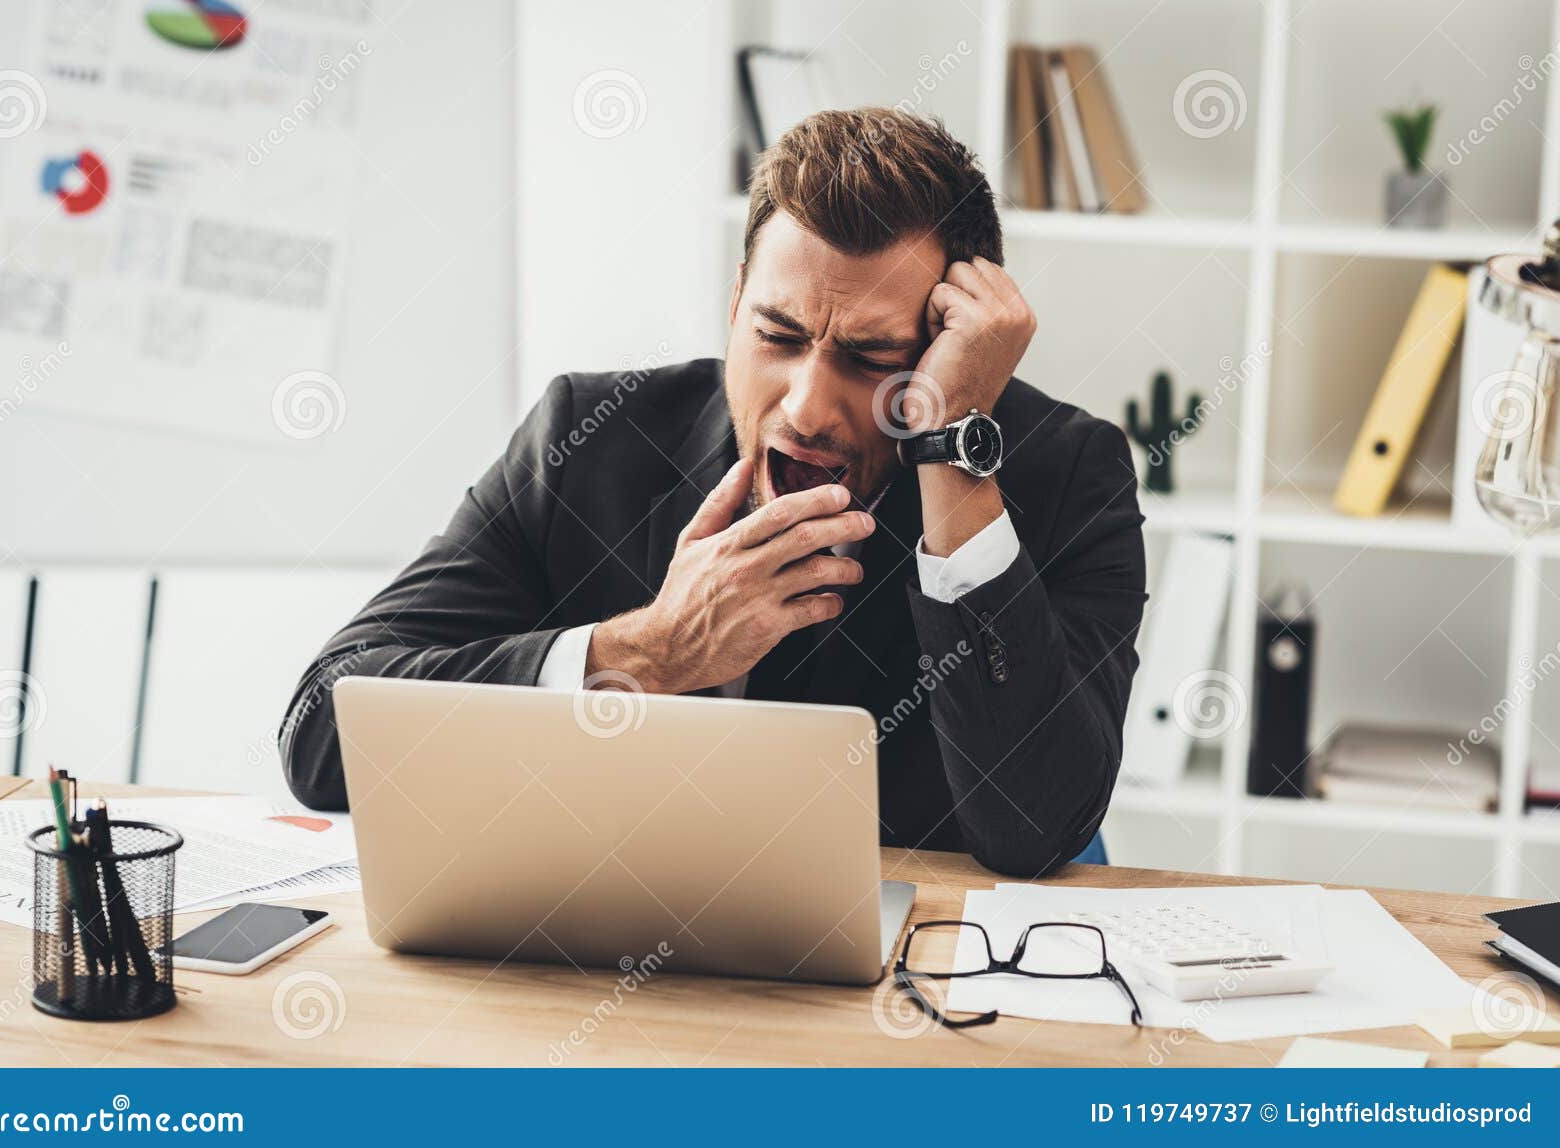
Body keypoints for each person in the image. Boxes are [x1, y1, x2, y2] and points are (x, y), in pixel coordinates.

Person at [280, 108, 1146, 876]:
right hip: (601, 963)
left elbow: (1035, 829)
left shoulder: (1067, 478)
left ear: (943, 350)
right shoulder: (588, 438)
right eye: (778, 335)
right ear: (736, 306)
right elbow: (326, 730)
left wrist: (952, 447)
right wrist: (649, 653)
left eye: (873, 359)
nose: (806, 407)